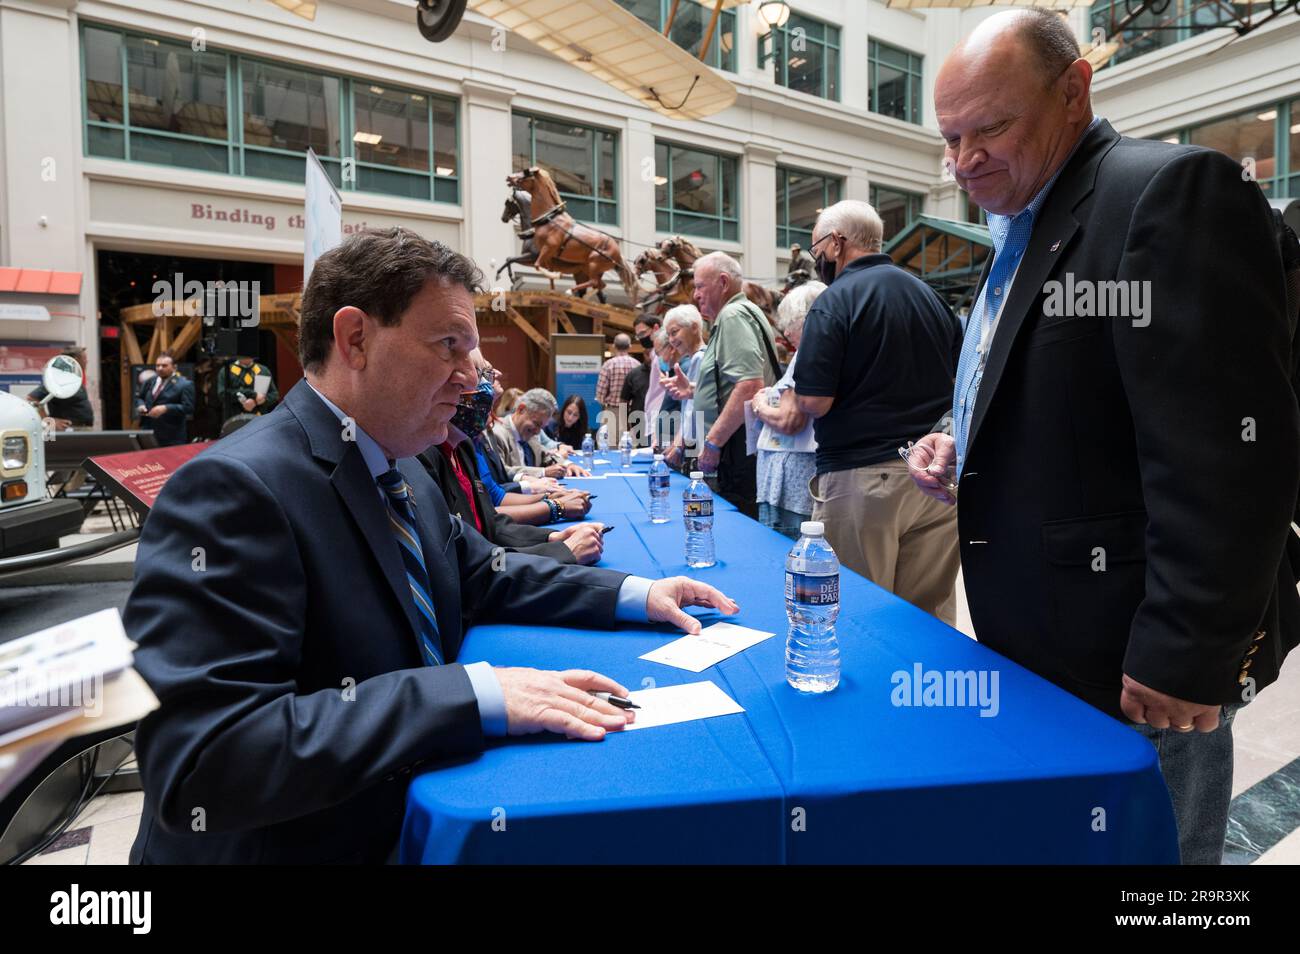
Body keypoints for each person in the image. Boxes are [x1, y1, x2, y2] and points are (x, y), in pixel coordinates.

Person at [123, 227, 739, 864]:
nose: (473, 380)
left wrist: (637, 594)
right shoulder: (234, 489)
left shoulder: (403, 464)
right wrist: (474, 693)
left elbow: (483, 571)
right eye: (450, 346)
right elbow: (205, 758)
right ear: (355, 339)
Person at [907, 10, 1300, 864]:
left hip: (1132, 661)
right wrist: (956, 438)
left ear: (1075, 90)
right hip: (1041, 638)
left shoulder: (1164, 193)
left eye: (992, 127)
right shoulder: (1017, 227)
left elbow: (1232, 448)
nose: (965, 160)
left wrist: (1185, 652)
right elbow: (1062, 395)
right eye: (951, 138)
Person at [792, 200, 963, 623]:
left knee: (857, 616)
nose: (817, 260)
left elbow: (815, 401)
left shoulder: (835, 302)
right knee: (927, 617)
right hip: (935, 478)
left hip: (863, 480)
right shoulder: (931, 297)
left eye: (816, 250)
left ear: (836, 243)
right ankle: (922, 689)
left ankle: (870, 691)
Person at [417, 360, 604, 567]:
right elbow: (472, 566)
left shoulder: (464, 447)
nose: (491, 419)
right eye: (482, 373)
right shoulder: (425, 458)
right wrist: (559, 541)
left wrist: (553, 538)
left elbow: (492, 525)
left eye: (491, 406)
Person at [674, 252, 779, 517]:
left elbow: (749, 385)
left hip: (735, 453)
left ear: (722, 282)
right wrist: (696, 391)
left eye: (699, 286)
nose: (695, 294)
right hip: (741, 449)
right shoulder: (743, 312)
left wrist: (712, 443)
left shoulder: (732, 316)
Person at [752, 281, 824, 539]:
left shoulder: (807, 352)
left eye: (787, 323)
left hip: (792, 486)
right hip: (795, 482)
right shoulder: (814, 352)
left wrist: (759, 405)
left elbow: (790, 420)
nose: (785, 331)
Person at [488, 388, 589, 481]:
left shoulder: (532, 434)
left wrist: (567, 464)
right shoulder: (496, 433)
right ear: (521, 409)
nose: (537, 432)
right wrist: (543, 472)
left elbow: (545, 455)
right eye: (536, 423)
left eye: (541, 427)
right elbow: (502, 472)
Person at [661, 304, 707, 473]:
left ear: (694, 327)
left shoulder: (699, 358)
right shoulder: (697, 358)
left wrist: (679, 446)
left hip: (696, 447)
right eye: (669, 335)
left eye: (675, 332)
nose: (672, 340)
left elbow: (693, 410)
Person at [134, 350, 195, 446]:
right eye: (157, 365)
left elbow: (188, 408)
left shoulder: (184, 384)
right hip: (148, 431)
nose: (160, 368)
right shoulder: (150, 381)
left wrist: (166, 408)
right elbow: (139, 398)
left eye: (164, 366)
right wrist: (141, 405)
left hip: (171, 435)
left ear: (174, 367)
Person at [27, 347, 94, 429]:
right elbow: (32, 398)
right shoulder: (60, 380)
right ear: (76, 360)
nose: (87, 361)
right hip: (68, 430)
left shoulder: (74, 378)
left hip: (82, 429)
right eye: (84, 358)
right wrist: (49, 421)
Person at [217, 354, 280, 423]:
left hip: (259, 419)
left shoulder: (263, 370)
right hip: (235, 419)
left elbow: (274, 395)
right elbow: (222, 394)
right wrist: (252, 394)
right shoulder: (227, 371)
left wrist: (256, 402)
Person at [594, 332, 639, 428]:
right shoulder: (637, 365)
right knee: (632, 441)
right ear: (629, 346)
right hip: (633, 411)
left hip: (613, 411)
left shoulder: (608, 365)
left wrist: (605, 402)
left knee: (610, 442)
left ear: (614, 346)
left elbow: (600, 394)